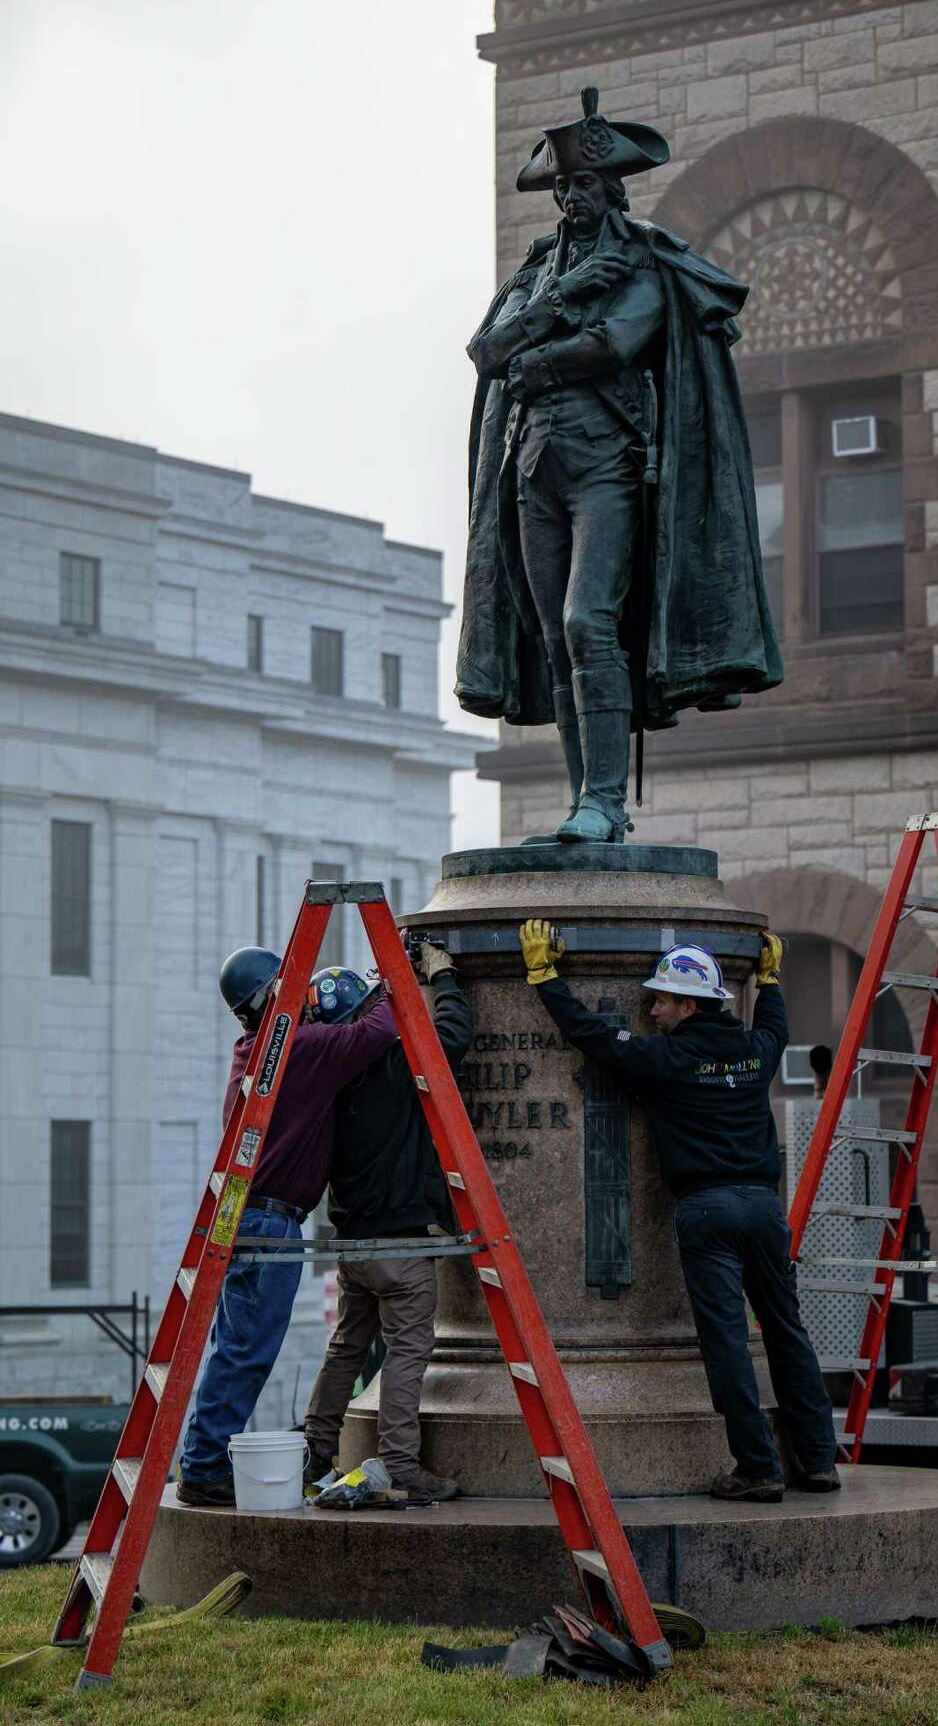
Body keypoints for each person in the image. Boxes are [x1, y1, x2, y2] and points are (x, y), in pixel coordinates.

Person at [457, 85, 782, 845]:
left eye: (586, 185)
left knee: (586, 622)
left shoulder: (640, 261)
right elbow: (487, 353)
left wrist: (537, 361)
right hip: (534, 473)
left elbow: (618, 345)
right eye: (564, 185)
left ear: (612, 191)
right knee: (551, 640)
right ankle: (583, 802)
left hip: (607, 466)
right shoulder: (543, 274)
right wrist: (562, 301)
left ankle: (606, 800)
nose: (572, 196)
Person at [517, 918, 839, 1503]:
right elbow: (774, 1025)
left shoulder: (664, 1059)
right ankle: (818, 1461)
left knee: (727, 1344)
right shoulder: (752, 1053)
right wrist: (769, 981)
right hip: (765, 1209)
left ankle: (759, 1468)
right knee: (788, 1333)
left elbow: (591, 1036)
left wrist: (545, 977)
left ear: (690, 1007)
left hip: (707, 1212)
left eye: (661, 1000)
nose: (652, 1010)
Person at [177, 945, 399, 1507]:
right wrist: (389, 984)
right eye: (292, 982)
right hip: (268, 1218)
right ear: (272, 994)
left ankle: (202, 1460)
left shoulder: (253, 1049)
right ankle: (204, 1467)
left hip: (242, 1211)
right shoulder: (295, 1049)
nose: (305, 993)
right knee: (247, 1349)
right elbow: (375, 1033)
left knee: (234, 1345)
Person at [303, 940, 472, 1502]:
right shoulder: (392, 1064)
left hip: (352, 1243)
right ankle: (401, 1463)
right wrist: (445, 980)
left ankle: (316, 1451)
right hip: (400, 1244)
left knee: (347, 1347)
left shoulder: (329, 1075)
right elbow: (450, 1040)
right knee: (407, 1352)